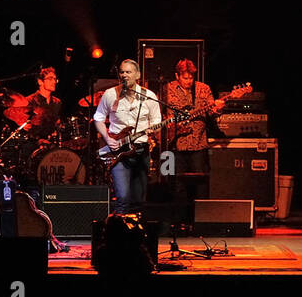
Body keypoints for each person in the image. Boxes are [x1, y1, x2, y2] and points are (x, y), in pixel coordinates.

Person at [94, 59, 162, 215]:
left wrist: (154, 130)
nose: (124, 75)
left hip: (140, 150)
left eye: (128, 72)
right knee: (123, 196)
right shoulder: (110, 94)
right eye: (122, 72)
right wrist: (107, 138)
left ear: (137, 75)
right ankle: (118, 232)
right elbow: (98, 118)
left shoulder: (149, 96)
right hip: (119, 151)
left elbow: (157, 120)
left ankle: (136, 235)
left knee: (139, 199)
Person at [164, 60, 226, 203]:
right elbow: (159, 113)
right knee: (178, 185)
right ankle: (179, 220)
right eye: (185, 78)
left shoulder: (203, 89)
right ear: (177, 76)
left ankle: (199, 220)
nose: (188, 81)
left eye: (191, 77)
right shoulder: (167, 89)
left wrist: (218, 108)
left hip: (198, 143)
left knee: (201, 184)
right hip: (176, 143)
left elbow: (212, 113)